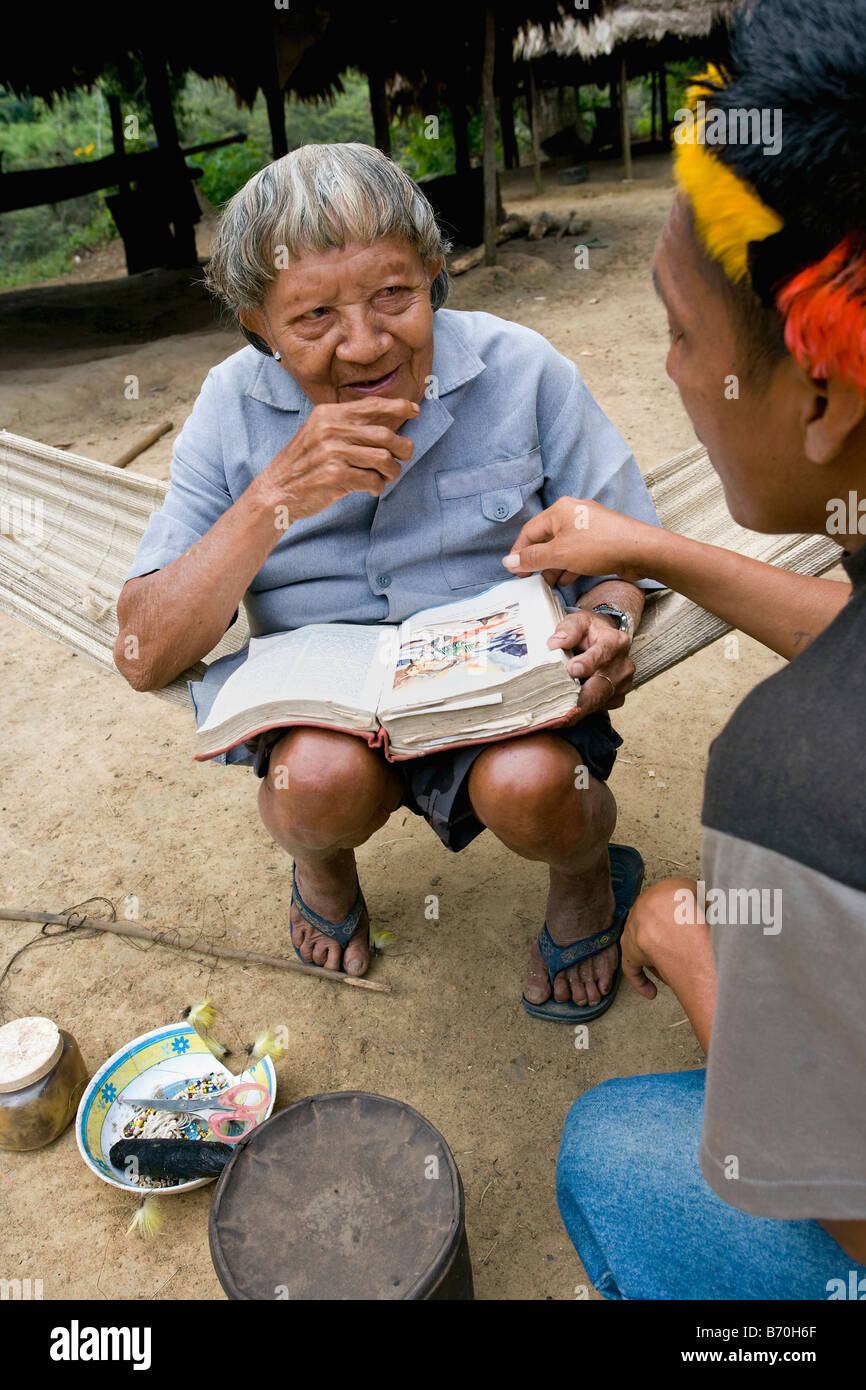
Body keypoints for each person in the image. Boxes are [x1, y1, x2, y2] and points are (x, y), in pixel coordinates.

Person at [114, 142, 662, 1019]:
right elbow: (144, 651)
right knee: (313, 785)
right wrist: (276, 497)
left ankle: (586, 877)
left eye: (394, 297)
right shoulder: (229, 408)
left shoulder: (520, 368)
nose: (364, 345)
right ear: (257, 321)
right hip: (323, 712)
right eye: (314, 317)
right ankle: (322, 865)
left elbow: (626, 547)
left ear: (436, 274)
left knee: (534, 787)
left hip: (504, 690)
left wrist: (611, 620)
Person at [503, 0, 866, 1296]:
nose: (659, 366)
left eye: (675, 329)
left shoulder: (791, 777)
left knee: (610, 1147)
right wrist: (647, 551)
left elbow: (855, 1207)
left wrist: (681, 937)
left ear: (818, 390)